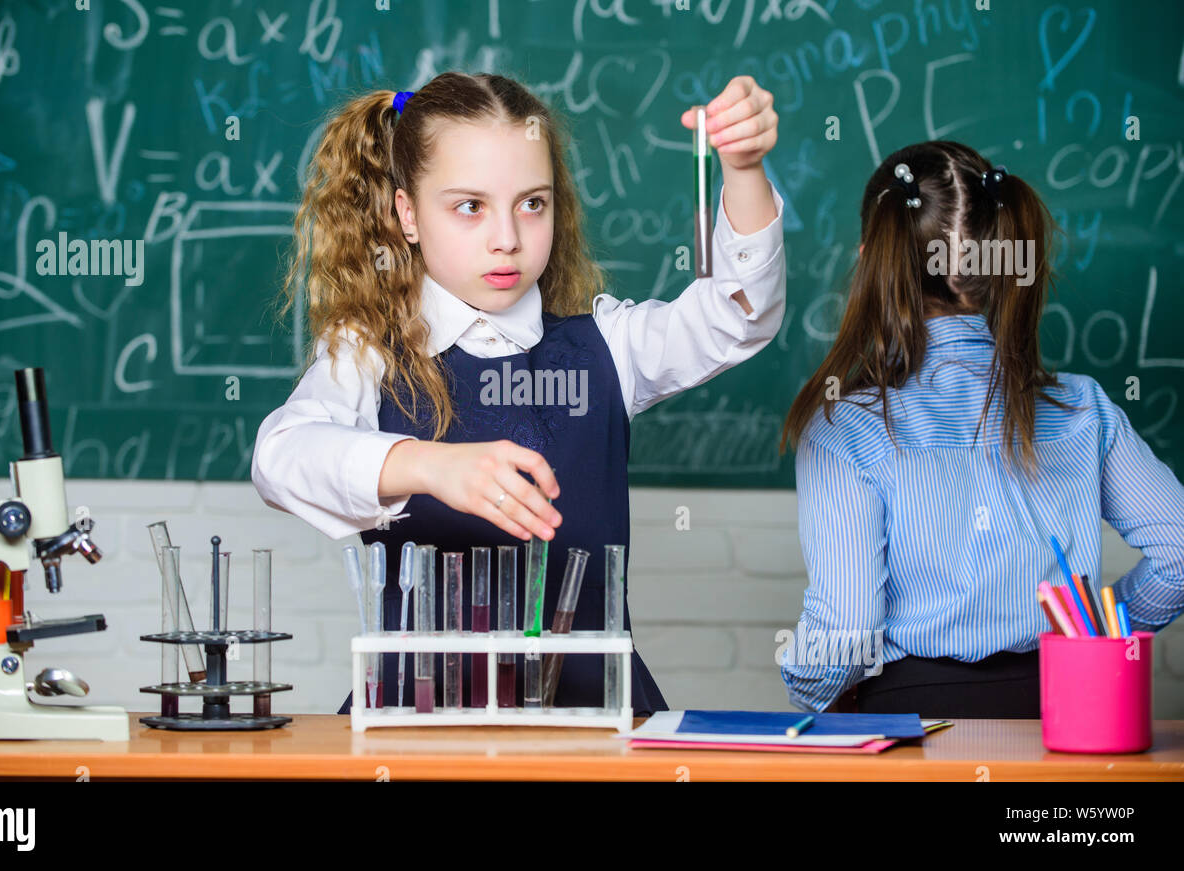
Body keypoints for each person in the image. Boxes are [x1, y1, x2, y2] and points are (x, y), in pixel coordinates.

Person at [252, 72, 786, 714]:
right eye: (469, 206)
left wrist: (746, 170)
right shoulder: (366, 355)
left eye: (531, 203)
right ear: (407, 214)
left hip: (595, 722)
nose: (506, 237)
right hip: (418, 725)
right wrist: (429, 463)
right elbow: (280, 457)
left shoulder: (608, 347)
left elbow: (739, 317)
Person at [779, 140, 1184, 718]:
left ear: (873, 258)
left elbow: (846, 629)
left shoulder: (845, 424)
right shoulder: (1083, 408)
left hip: (911, 719)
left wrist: (810, 699)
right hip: (1065, 713)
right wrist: (1089, 641)